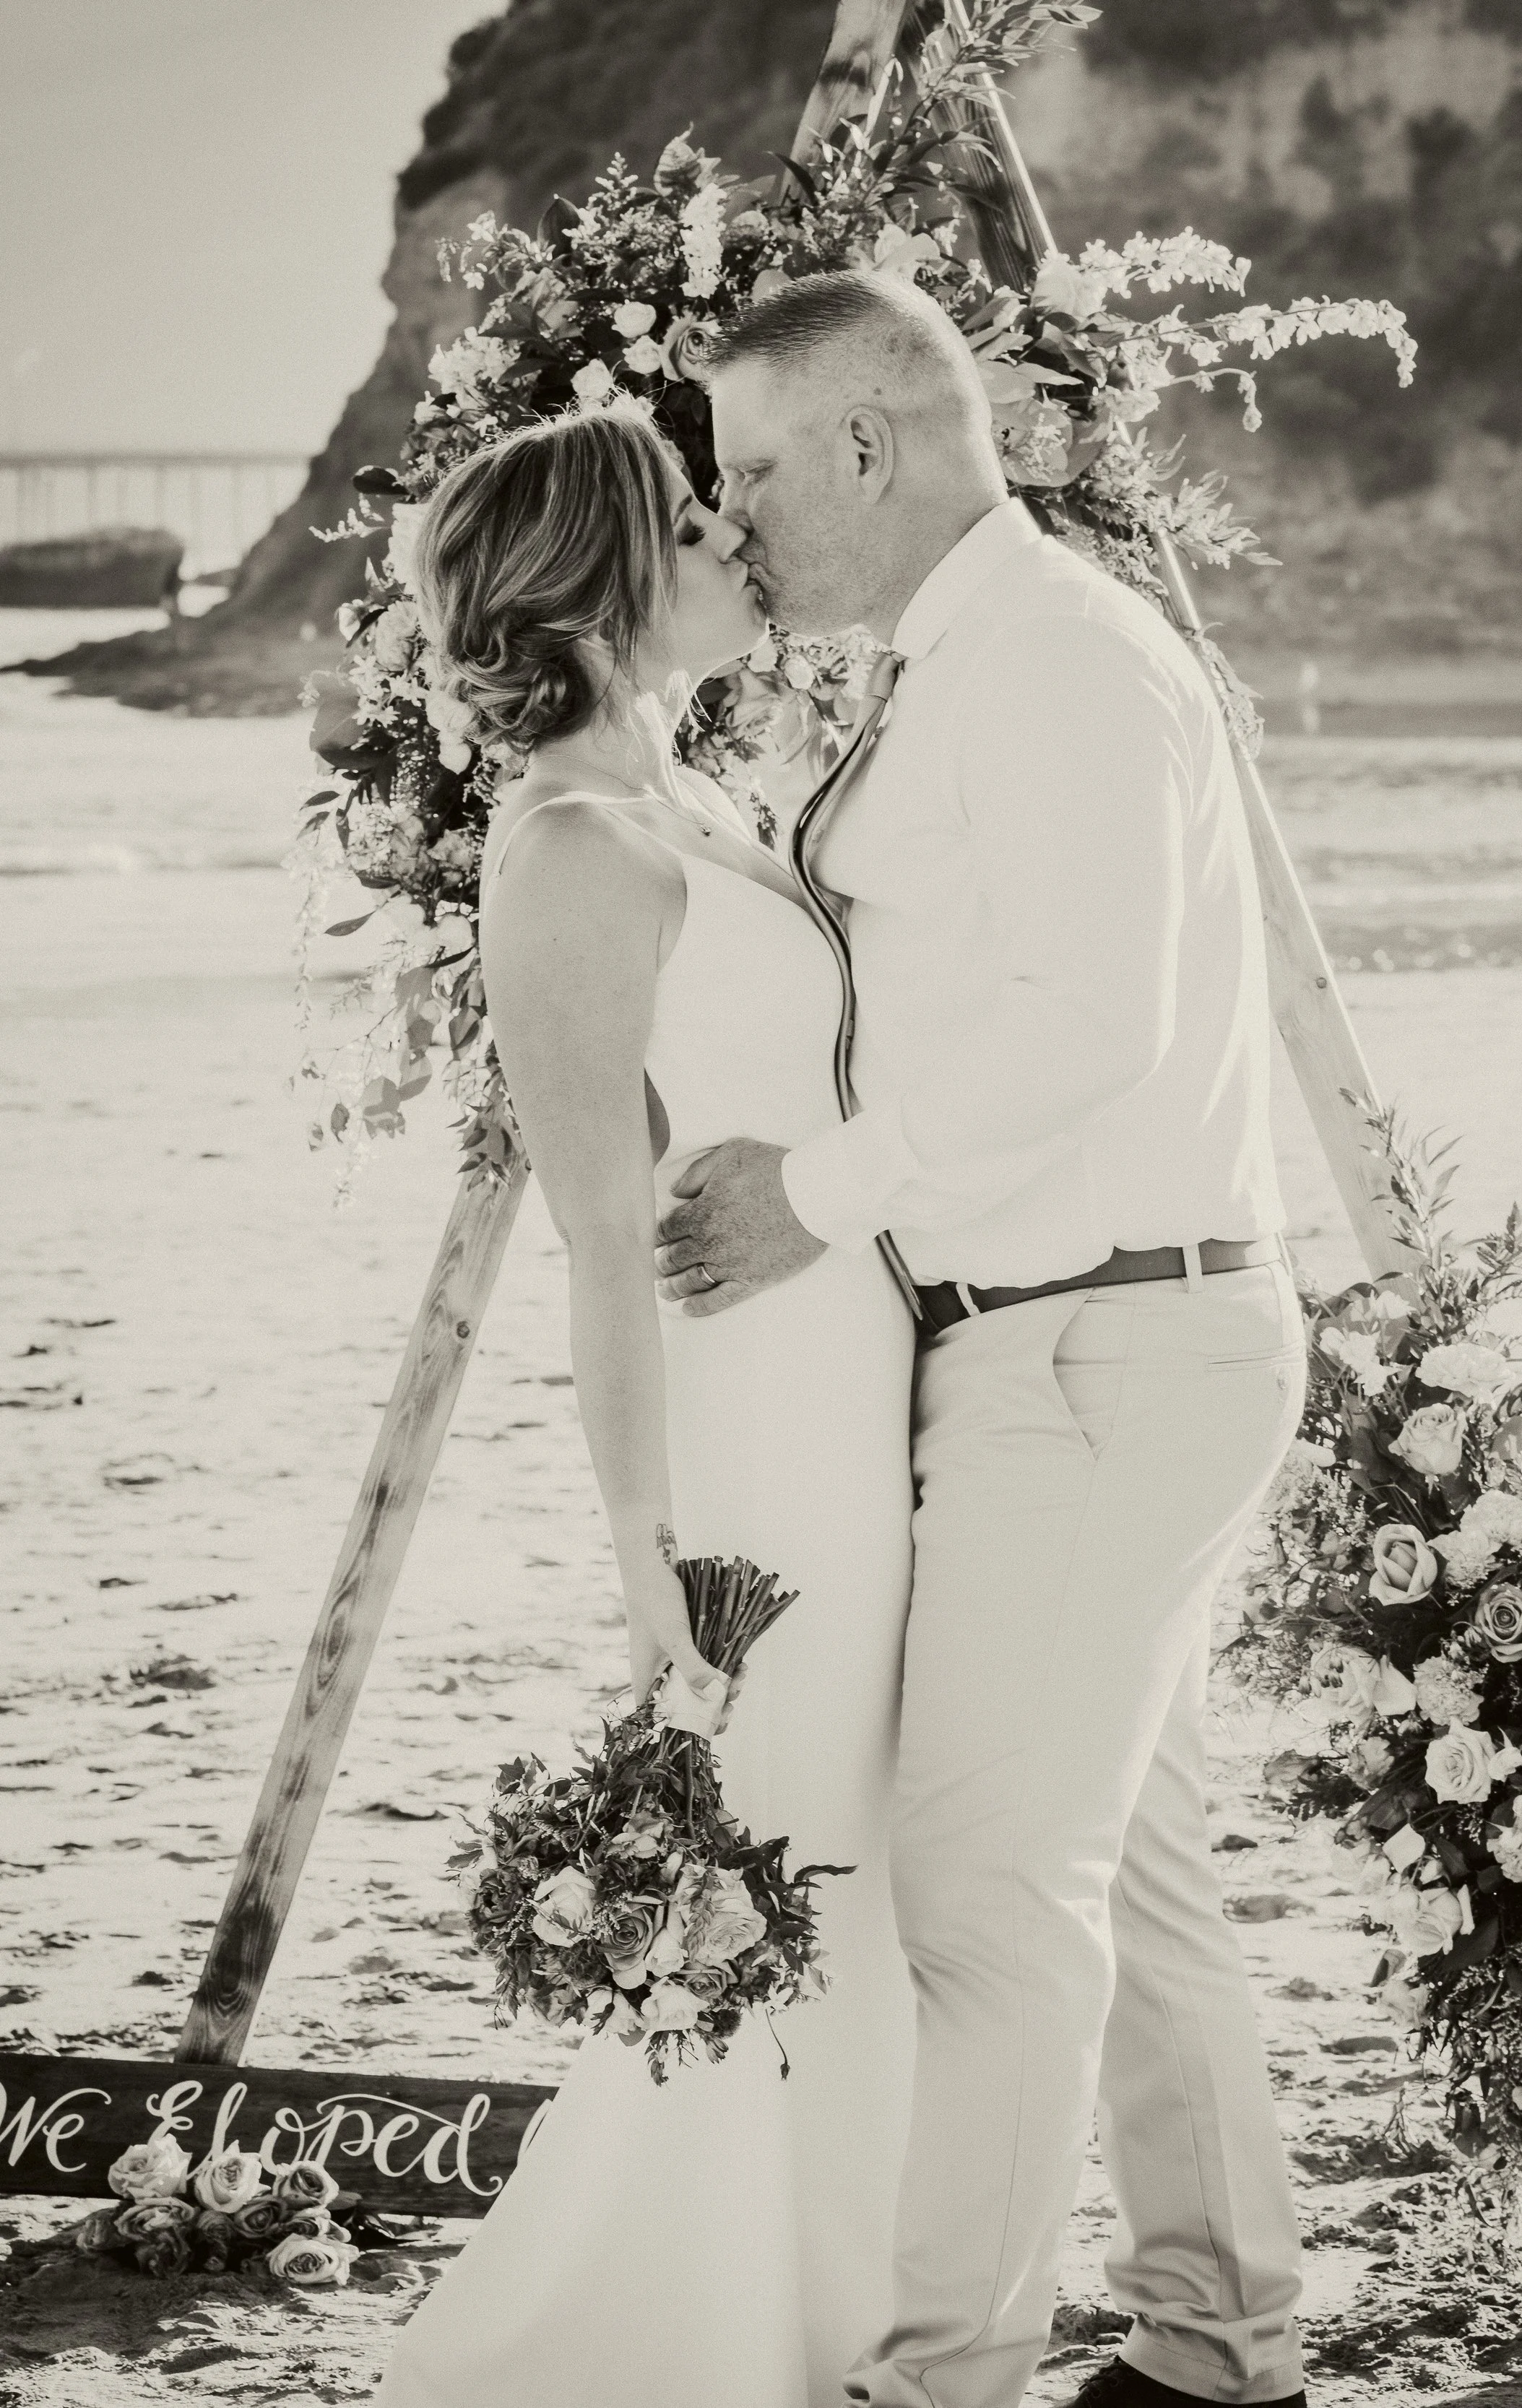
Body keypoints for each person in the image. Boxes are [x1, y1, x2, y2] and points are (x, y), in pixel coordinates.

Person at [655, 270, 1311, 2408]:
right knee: (1143, 1876)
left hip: (1099, 1355)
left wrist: (810, 1192)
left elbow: (1090, 1027)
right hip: (1092, 1344)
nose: (731, 517)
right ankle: (1224, 2349)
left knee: (984, 1893)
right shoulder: (971, 660)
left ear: (866, 445)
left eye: (755, 467)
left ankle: (946, 2381)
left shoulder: (1053, 664)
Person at [373, 399, 919, 2408]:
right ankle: (689, 2337)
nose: (730, 541)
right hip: (755, 1424)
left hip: (867, 1379)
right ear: (604, 588)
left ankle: (845, 2311)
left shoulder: (699, 798)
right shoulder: (570, 853)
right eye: (690, 523)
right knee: (781, 1854)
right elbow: (602, 1238)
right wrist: (643, 1563)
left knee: (867, 1867)